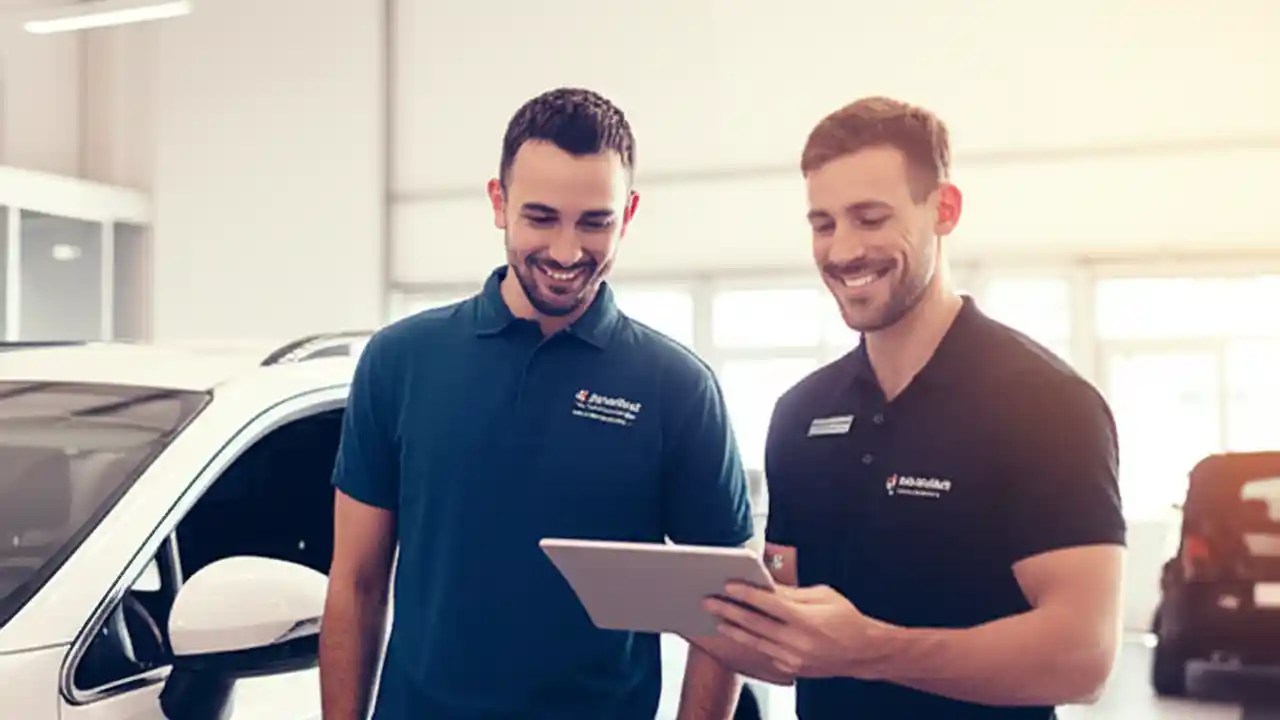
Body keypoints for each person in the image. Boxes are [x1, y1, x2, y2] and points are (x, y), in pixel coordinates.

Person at [319, 87, 754, 720]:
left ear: (627, 215)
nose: (567, 252)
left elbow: (729, 612)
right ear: (499, 203)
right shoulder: (400, 361)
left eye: (595, 222)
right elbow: (356, 583)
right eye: (541, 217)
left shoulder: (677, 387)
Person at [699, 97, 1127, 719]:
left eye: (871, 218)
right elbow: (786, 636)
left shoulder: (1048, 404)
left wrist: (870, 651)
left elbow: (1082, 657)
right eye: (823, 224)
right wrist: (689, 611)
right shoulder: (799, 415)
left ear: (944, 210)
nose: (843, 251)